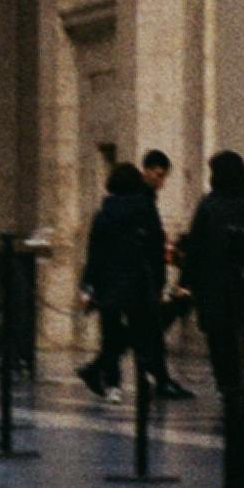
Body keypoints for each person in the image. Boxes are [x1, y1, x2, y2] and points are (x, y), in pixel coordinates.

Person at [177, 150, 244, 410]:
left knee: (220, 340)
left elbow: (196, 247)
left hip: (214, 285)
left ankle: (228, 386)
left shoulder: (209, 205)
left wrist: (186, 281)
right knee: (240, 337)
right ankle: (241, 386)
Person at [78, 159, 167, 398]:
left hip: (109, 282)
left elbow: (94, 252)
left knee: (111, 333)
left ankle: (113, 384)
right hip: (138, 280)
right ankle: (142, 378)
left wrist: (88, 286)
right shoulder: (145, 209)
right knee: (140, 332)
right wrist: (160, 280)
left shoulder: (104, 213)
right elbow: (155, 247)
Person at [141, 148, 195, 398]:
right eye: (158, 175)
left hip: (150, 275)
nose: (161, 182)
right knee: (151, 328)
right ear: (147, 170)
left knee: (151, 330)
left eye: (164, 177)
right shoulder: (142, 199)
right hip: (144, 275)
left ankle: (155, 375)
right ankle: (159, 378)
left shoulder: (148, 197)